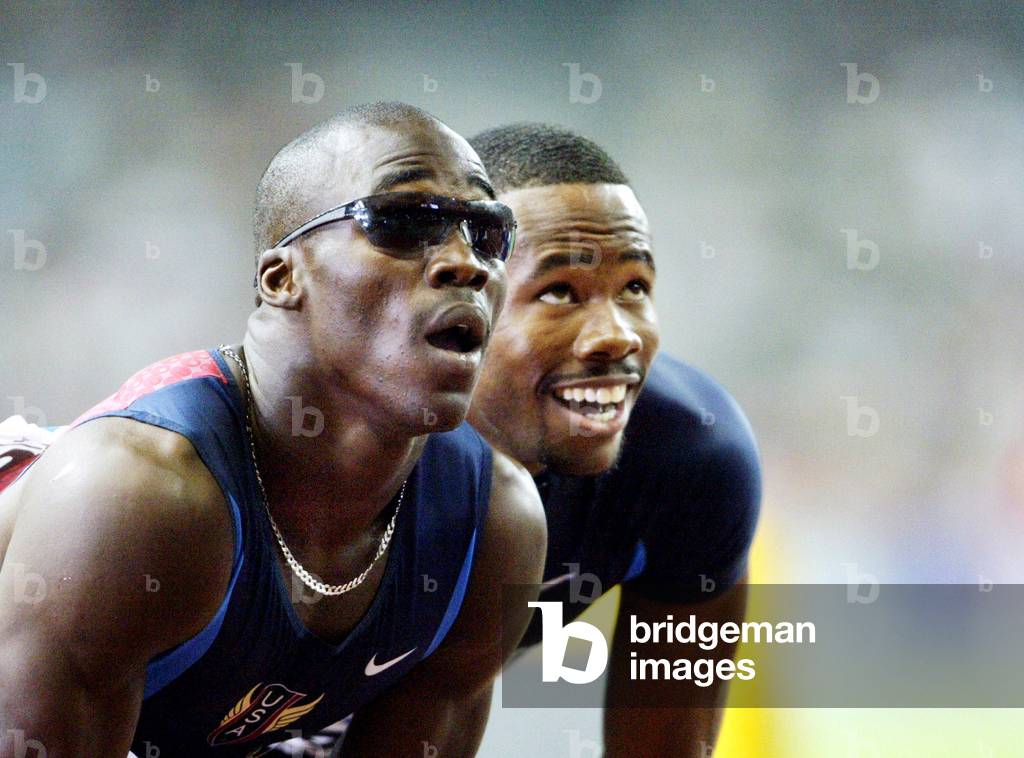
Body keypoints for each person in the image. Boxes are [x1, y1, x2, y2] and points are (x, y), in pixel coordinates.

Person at [0, 103, 546, 758]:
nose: (468, 264)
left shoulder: (491, 525)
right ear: (282, 278)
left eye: (488, 235)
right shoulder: (138, 494)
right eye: (403, 224)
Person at [467, 123, 762, 755]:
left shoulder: (689, 462)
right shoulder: (340, 444)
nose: (616, 335)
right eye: (559, 292)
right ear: (460, 307)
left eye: (634, 287)